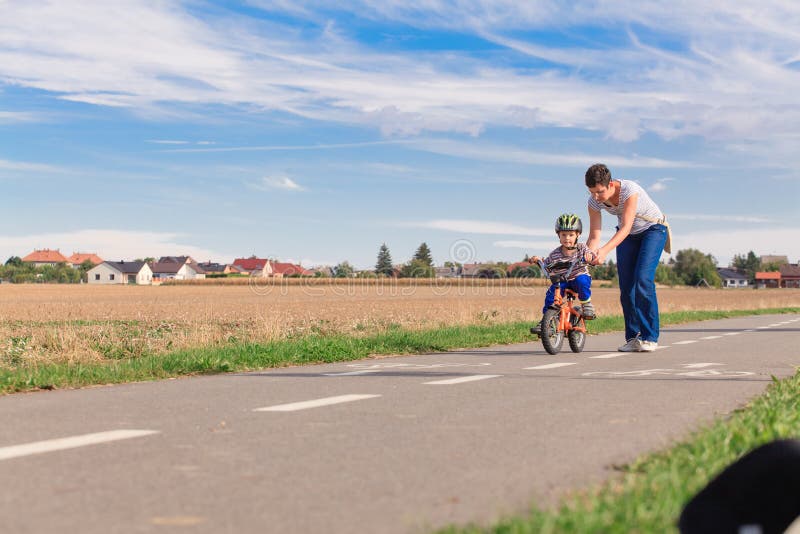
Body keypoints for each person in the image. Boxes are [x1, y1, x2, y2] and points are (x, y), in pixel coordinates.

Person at [584, 163, 667, 352]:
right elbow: (594, 235)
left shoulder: (630, 190)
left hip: (653, 230)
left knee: (642, 279)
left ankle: (649, 337)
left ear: (610, 184)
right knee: (627, 287)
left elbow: (626, 227)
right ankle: (633, 338)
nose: (596, 197)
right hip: (628, 236)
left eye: (599, 192)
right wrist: (588, 255)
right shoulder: (593, 202)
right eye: (591, 192)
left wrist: (604, 251)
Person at [529, 213, 595, 335]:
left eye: (571, 235)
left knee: (581, 280)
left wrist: (589, 257)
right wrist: (538, 261)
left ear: (578, 235)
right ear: (558, 235)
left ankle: (586, 304)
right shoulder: (555, 254)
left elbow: (592, 256)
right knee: (551, 295)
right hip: (562, 281)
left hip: (578, 277)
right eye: (563, 235)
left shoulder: (582, 248)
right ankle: (546, 322)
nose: (567, 238)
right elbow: (547, 264)